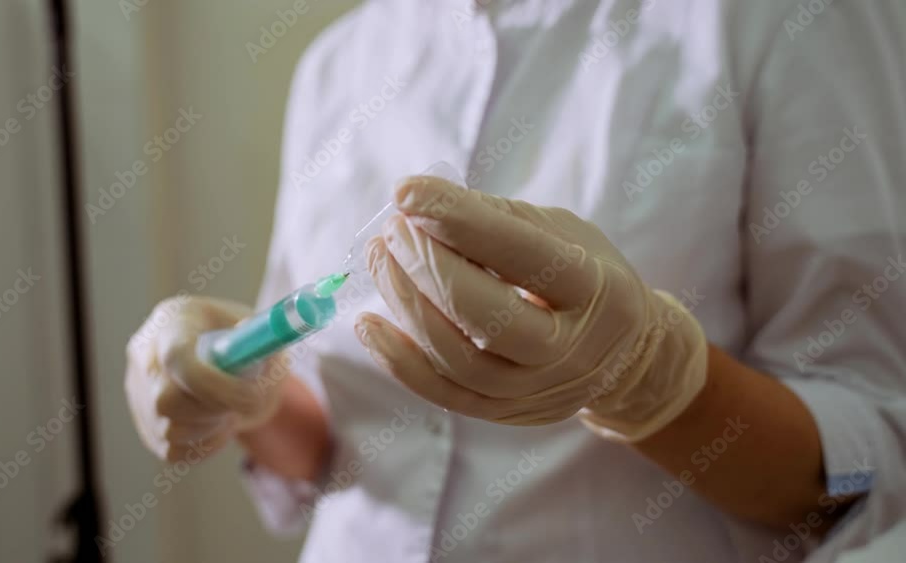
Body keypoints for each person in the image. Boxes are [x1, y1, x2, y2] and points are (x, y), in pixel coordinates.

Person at [124, 1, 906, 561]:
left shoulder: (789, 17)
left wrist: (652, 379)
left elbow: (870, 456)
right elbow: (338, 437)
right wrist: (239, 389)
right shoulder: (338, 62)